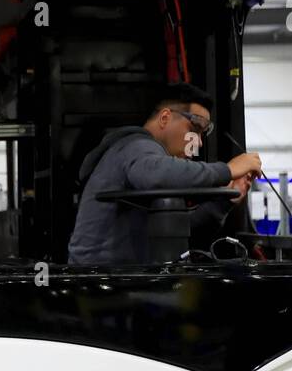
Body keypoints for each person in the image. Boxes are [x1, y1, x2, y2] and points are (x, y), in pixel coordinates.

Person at [67, 82, 262, 265]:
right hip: (100, 283)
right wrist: (228, 170)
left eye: (203, 134)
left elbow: (176, 228)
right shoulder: (136, 146)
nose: (199, 143)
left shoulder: (148, 159)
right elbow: (156, 175)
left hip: (123, 278)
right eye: (195, 129)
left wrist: (225, 200)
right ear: (165, 118)